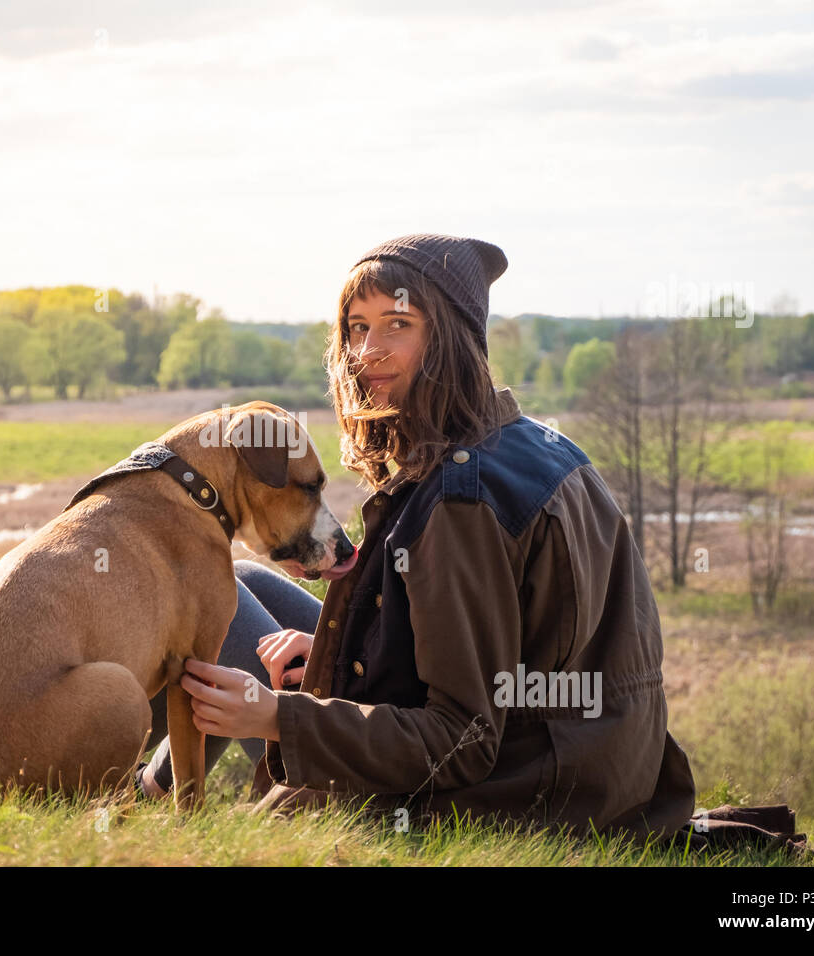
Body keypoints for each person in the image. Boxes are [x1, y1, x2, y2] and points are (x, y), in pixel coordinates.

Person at [139, 233, 696, 844]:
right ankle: (150, 789)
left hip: (521, 796)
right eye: (356, 328)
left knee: (223, 609)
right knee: (244, 582)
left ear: (452, 340)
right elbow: (491, 649)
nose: (366, 352)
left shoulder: (465, 498)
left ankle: (136, 791)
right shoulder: (539, 445)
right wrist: (343, 650)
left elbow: (459, 739)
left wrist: (276, 715)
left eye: (396, 324)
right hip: (593, 770)